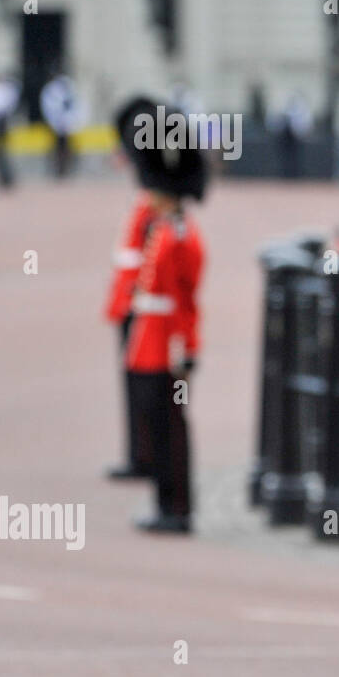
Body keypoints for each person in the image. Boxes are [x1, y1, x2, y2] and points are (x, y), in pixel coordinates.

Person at [126, 113, 207, 533]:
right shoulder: (163, 229)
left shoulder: (181, 237)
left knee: (170, 428)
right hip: (149, 340)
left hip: (167, 345)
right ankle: (163, 503)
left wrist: (184, 351)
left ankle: (177, 508)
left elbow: (185, 300)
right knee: (154, 424)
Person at [104, 96, 164, 481]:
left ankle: (147, 457)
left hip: (144, 308)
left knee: (147, 390)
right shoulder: (145, 202)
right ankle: (139, 455)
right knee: (134, 388)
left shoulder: (153, 208)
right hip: (130, 303)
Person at [39, 72, 84, 178]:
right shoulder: (52, 91)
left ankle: (66, 169)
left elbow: (74, 106)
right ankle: (58, 169)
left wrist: (71, 121)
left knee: (68, 147)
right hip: (56, 124)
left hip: (66, 124)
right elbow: (50, 108)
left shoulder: (67, 90)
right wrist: (56, 122)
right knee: (56, 147)